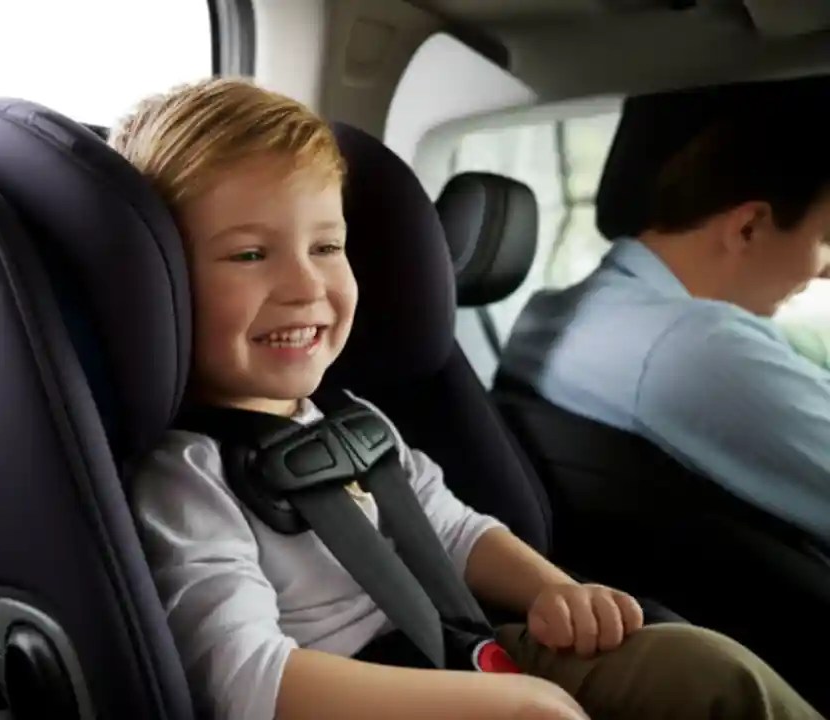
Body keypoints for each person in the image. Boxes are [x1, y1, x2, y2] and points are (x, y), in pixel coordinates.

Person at [109, 78, 819, 720]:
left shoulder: (354, 425)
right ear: (162, 282)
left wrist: (552, 590)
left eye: (326, 247)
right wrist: (498, 704)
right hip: (364, 699)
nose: (306, 286)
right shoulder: (189, 480)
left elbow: (452, 529)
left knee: (703, 669)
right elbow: (246, 683)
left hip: (459, 652)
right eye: (250, 255)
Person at [499, 109, 830, 545]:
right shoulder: (700, 347)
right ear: (748, 228)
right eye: (826, 240)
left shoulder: (549, 314)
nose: (825, 272)